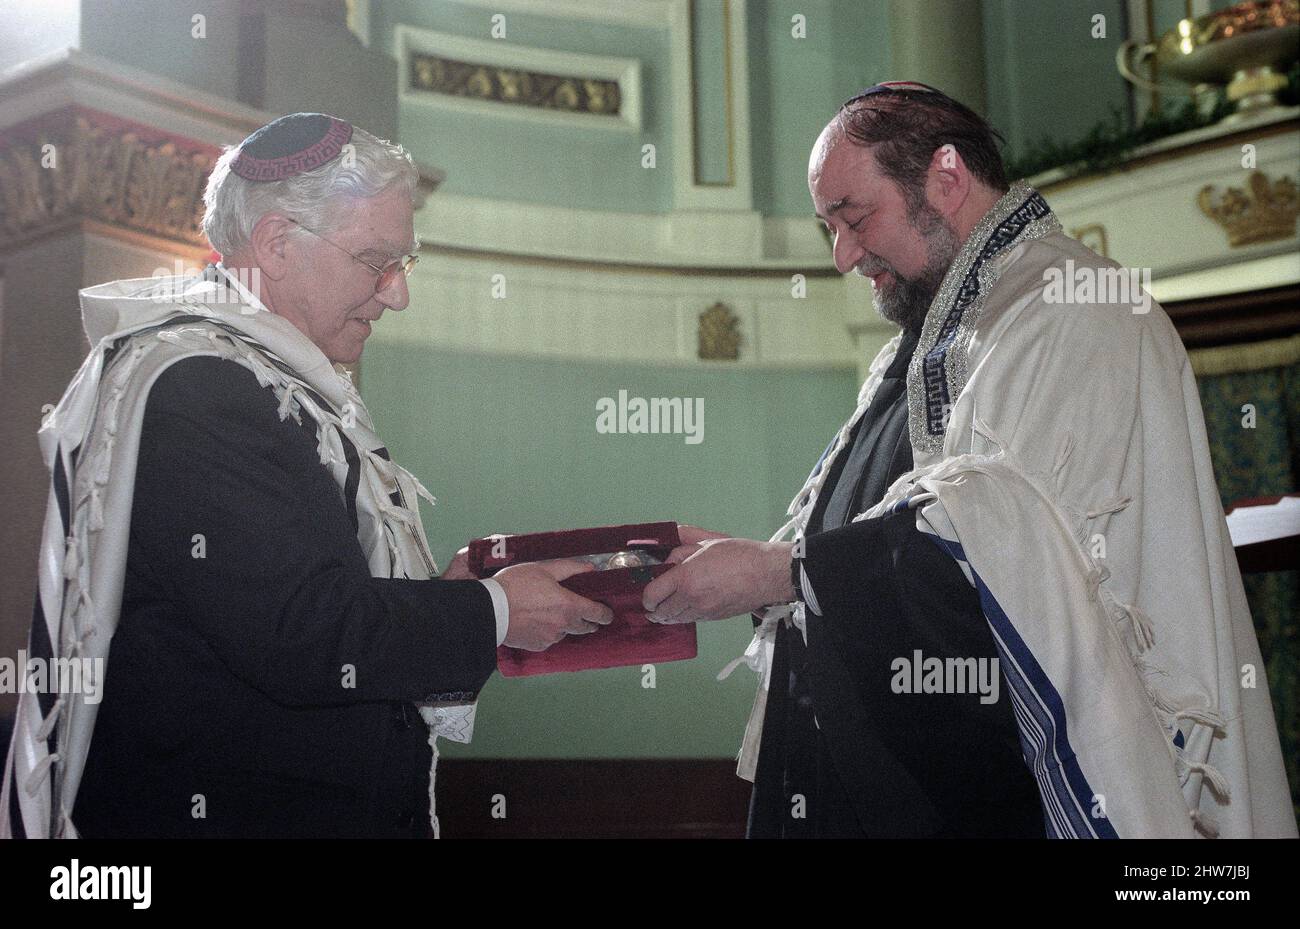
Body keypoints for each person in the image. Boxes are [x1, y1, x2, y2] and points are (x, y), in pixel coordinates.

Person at [644, 82, 1297, 838]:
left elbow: (1018, 559)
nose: (843, 255)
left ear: (946, 177)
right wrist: (762, 565)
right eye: (830, 228)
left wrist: (782, 571)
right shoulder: (920, 347)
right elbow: (895, 539)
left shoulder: (1077, 311)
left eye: (855, 219)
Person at [1, 113, 612, 839]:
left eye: (403, 265)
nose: (397, 294)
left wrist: (452, 601)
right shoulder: (198, 384)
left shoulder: (269, 381)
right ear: (278, 244)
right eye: (376, 260)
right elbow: (301, 633)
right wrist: (496, 611)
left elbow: (296, 612)